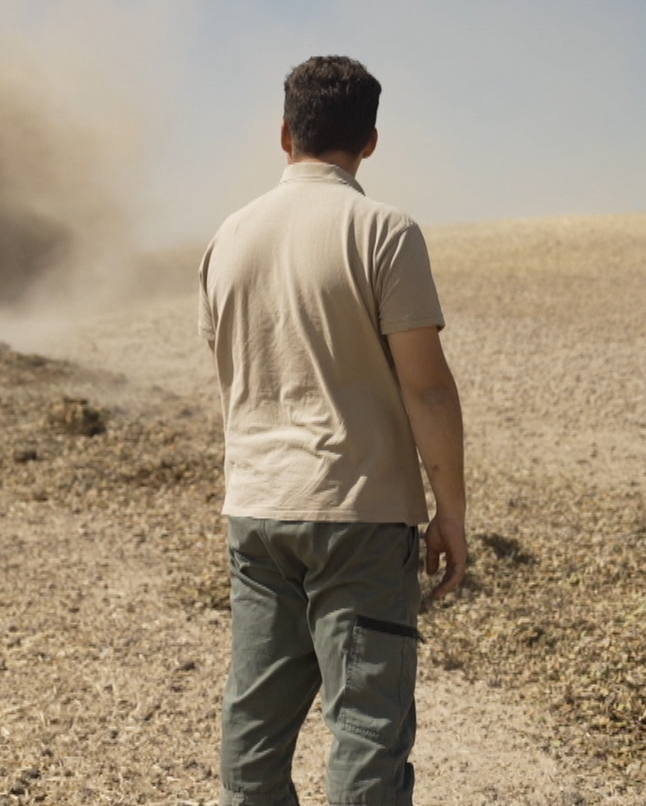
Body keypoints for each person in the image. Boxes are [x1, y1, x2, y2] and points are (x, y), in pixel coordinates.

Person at [199, 55, 469, 806]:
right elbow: (428, 388)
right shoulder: (385, 232)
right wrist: (449, 510)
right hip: (360, 513)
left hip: (257, 512)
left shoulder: (228, 237)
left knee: (254, 730)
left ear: (285, 133)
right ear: (371, 142)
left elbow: (228, 367)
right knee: (366, 731)